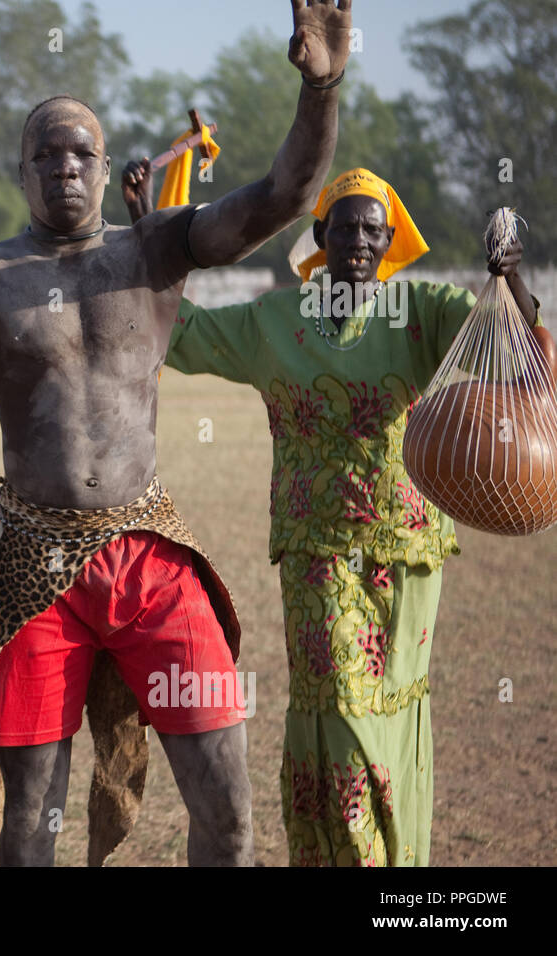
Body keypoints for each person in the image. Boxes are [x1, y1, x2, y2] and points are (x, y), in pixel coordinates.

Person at [0, 0, 356, 866]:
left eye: (82, 152)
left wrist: (321, 88)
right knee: (26, 833)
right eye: (46, 153)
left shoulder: (157, 249)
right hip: (35, 574)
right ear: (21, 171)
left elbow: (286, 195)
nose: (66, 165)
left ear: (103, 168)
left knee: (230, 817)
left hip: (151, 555)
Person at [124, 162, 549, 865]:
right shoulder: (274, 322)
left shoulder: (424, 311)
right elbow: (184, 331)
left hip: (411, 556)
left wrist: (507, 277)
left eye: (371, 228)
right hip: (318, 556)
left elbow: (517, 350)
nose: (358, 237)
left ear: (388, 241)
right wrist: (151, 236)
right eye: (344, 224)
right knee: (344, 712)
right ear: (320, 234)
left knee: (392, 708)